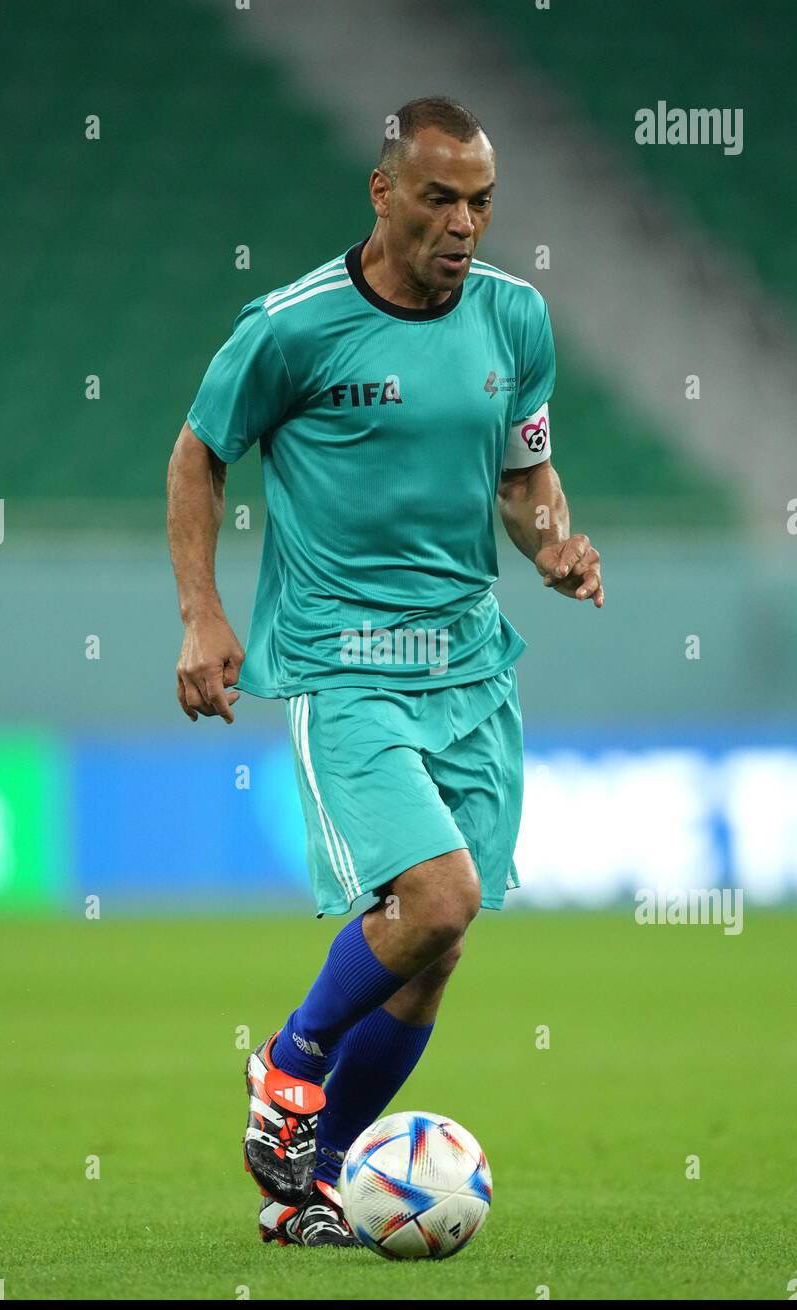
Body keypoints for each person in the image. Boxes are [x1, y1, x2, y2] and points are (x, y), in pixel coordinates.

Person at [167, 95, 603, 1247]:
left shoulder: (515, 320)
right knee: (438, 895)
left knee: (435, 949)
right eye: (440, 198)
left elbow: (523, 480)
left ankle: (302, 1189)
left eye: (482, 202)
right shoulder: (293, 326)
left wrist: (554, 541)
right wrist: (204, 615)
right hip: (343, 665)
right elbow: (199, 455)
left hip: (470, 668)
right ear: (383, 191)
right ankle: (291, 1063)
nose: (465, 224)